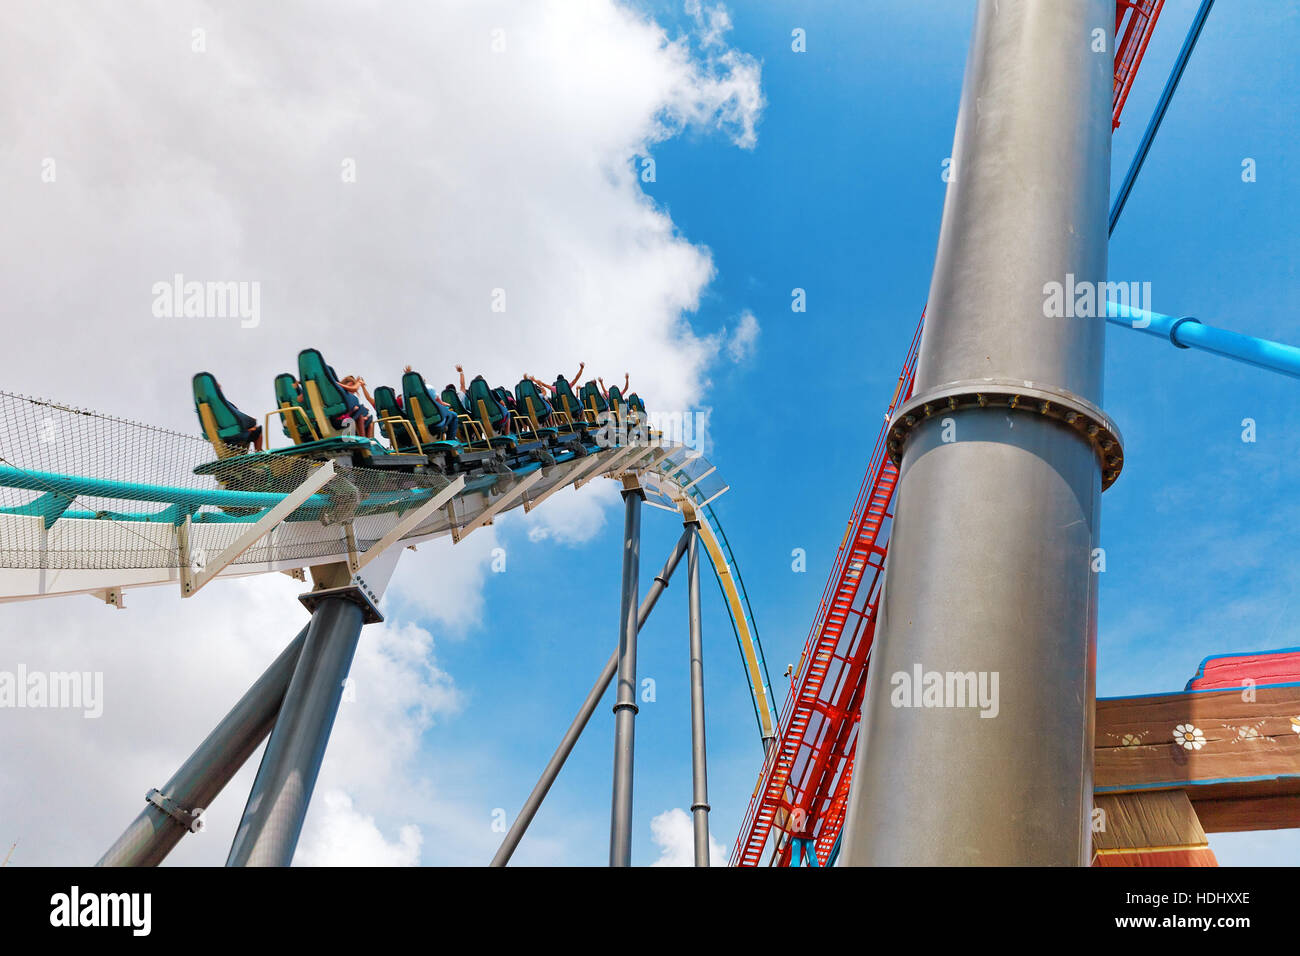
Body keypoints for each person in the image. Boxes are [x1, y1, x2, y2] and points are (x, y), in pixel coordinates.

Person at [214, 379, 264, 451]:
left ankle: (253, 453)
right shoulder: (222, 405)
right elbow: (233, 418)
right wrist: (251, 422)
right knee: (256, 431)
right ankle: (259, 453)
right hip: (232, 436)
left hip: (223, 436)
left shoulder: (211, 407)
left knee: (251, 430)